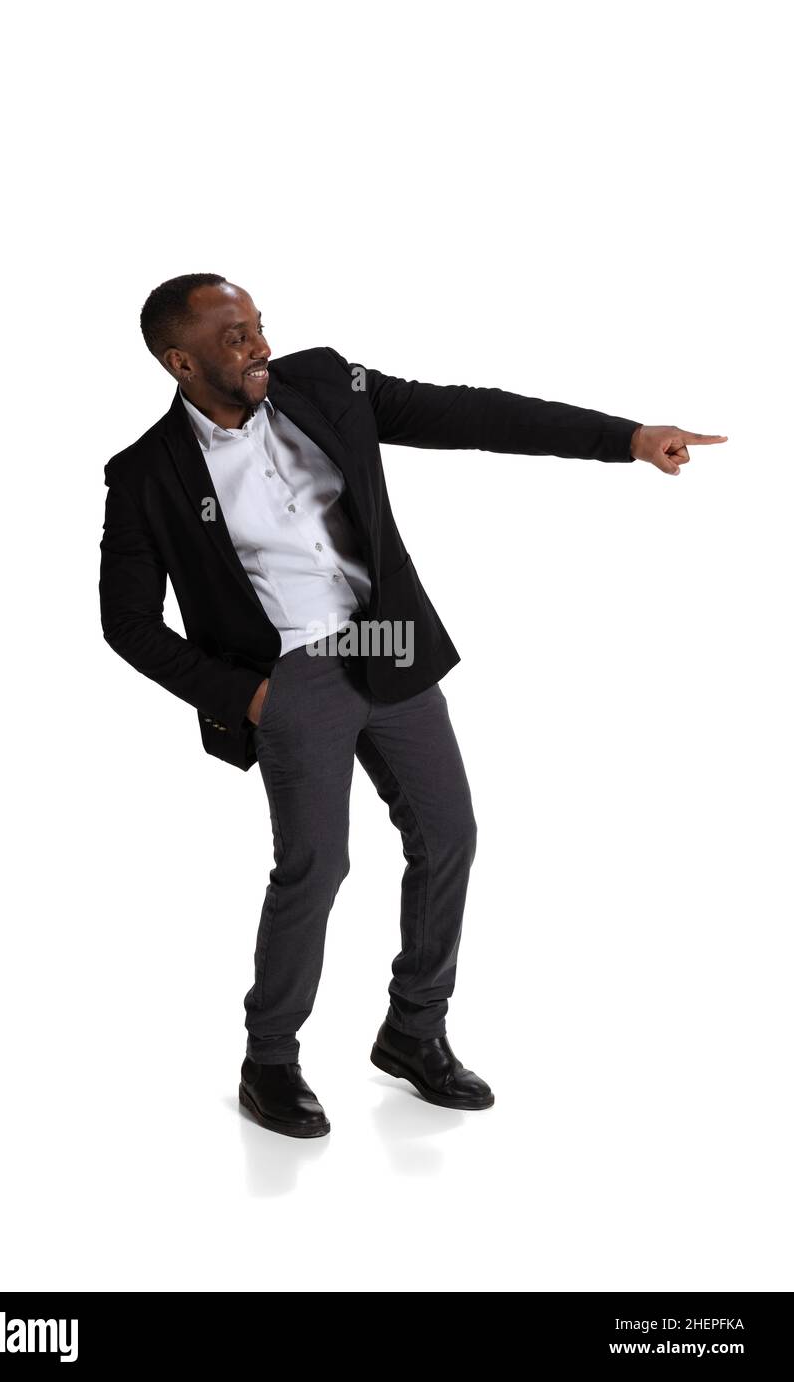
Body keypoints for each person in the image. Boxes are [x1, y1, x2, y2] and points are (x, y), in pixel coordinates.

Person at [99, 273, 727, 1139]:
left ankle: (413, 1031)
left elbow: (472, 415)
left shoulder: (325, 384)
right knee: (315, 866)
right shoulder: (144, 474)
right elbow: (126, 623)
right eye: (234, 338)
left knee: (448, 835)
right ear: (180, 361)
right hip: (287, 676)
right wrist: (249, 697)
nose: (260, 348)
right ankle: (269, 1060)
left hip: (386, 648)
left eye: (258, 327)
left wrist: (623, 438)